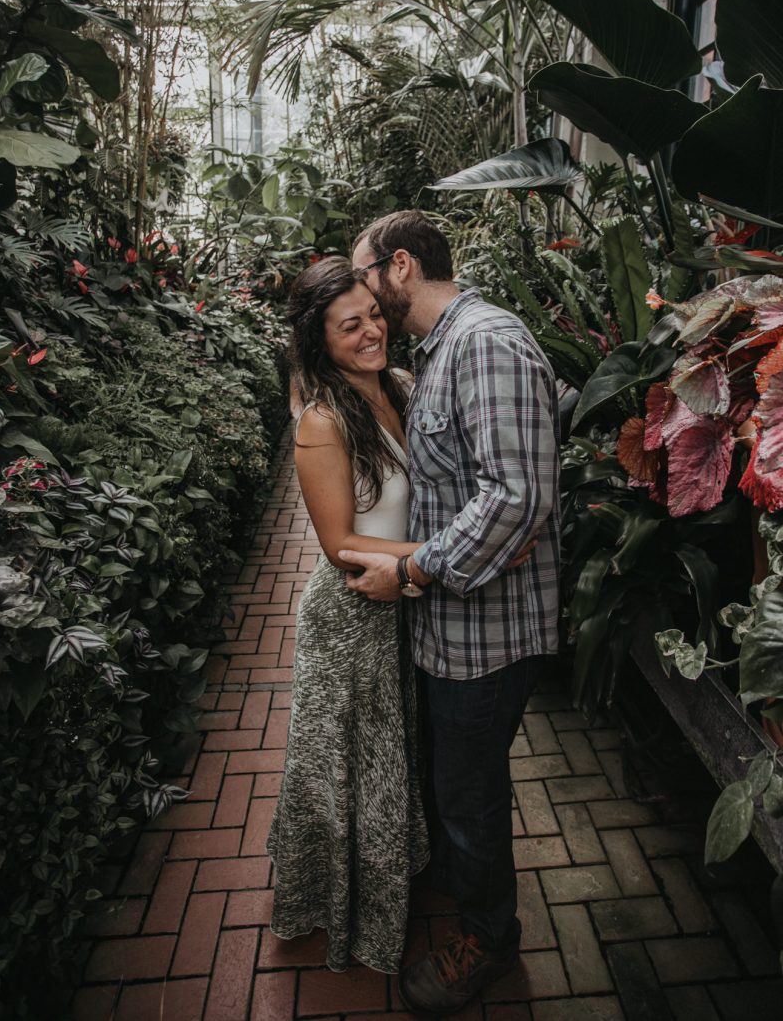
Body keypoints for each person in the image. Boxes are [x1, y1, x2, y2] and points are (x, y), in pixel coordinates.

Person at [341, 210, 560, 1014]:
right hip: (455, 629)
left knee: (469, 792)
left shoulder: (485, 343)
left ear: (400, 265)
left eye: (365, 277)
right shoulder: (440, 351)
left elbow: (516, 495)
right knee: (455, 780)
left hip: (489, 636)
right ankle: (468, 890)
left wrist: (422, 568)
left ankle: (488, 936)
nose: (362, 299)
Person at [266, 255, 429, 974]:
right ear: (320, 340)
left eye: (372, 314)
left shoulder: (399, 385)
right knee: (345, 771)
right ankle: (331, 903)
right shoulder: (322, 422)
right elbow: (338, 544)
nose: (370, 331)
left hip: (402, 600)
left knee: (389, 761)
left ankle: (394, 875)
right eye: (349, 325)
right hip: (350, 616)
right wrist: (443, 554)